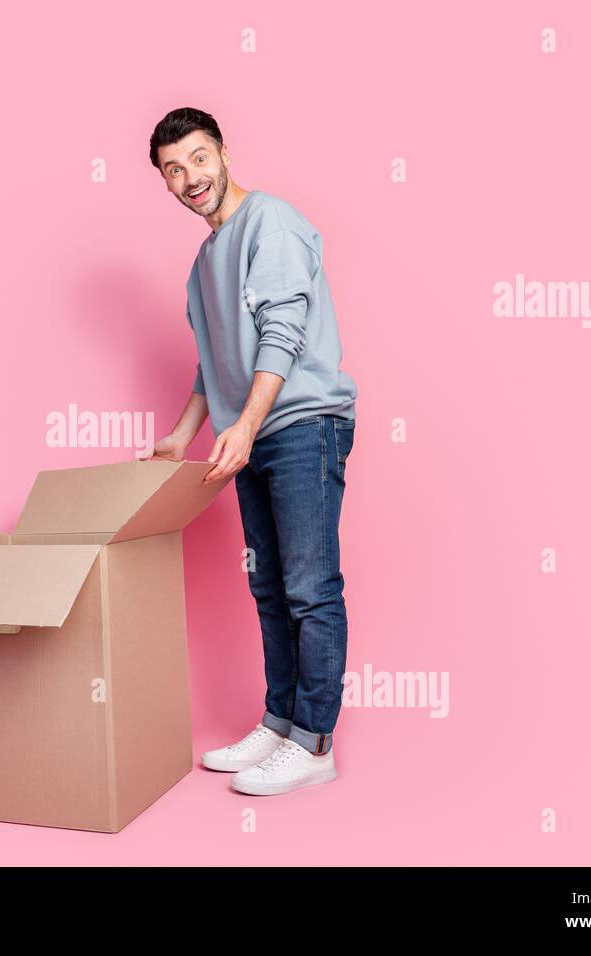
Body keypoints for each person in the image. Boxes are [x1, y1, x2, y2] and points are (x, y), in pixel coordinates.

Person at [142, 107, 359, 796]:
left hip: (299, 425)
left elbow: (283, 332)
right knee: (268, 587)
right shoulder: (203, 261)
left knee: (309, 587)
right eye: (174, 170)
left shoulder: (270, 222)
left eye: (199, 159)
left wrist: (247, 424)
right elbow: (215, 364)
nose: (190, 178)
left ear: (224, 153)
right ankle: (280, 722)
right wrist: (185, 432)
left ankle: (315, 742)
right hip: (252, 436)